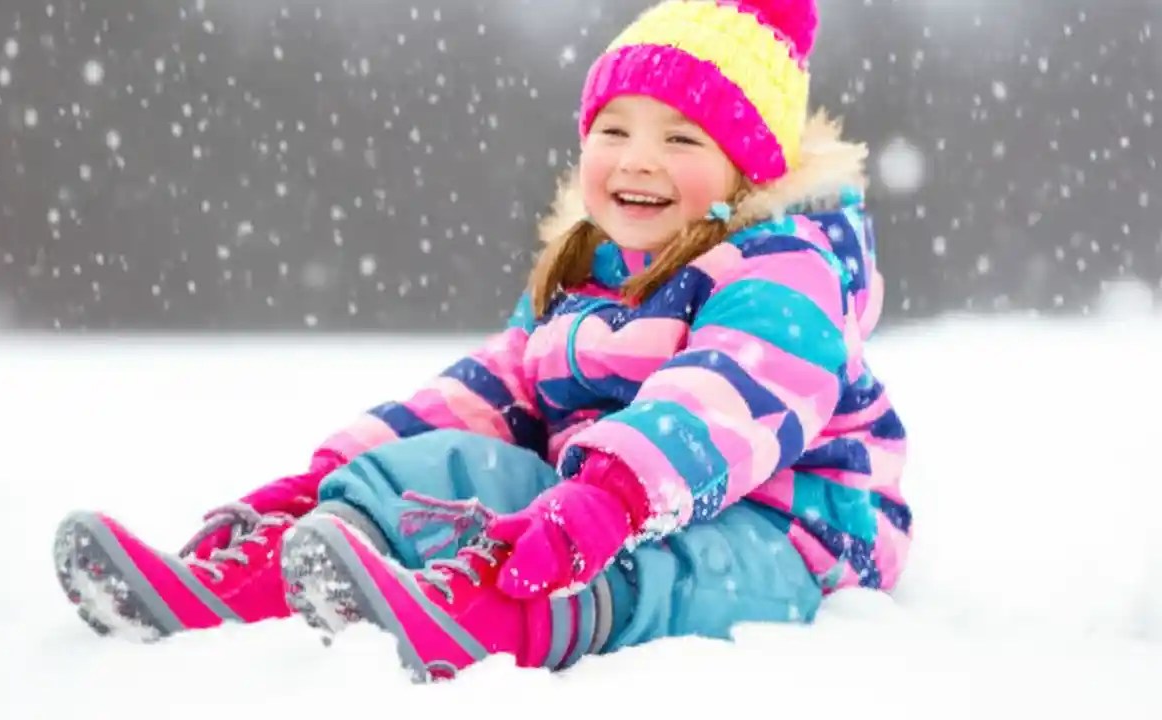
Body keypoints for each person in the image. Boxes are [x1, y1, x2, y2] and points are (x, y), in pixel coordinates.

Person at [53, 0, 911, 681]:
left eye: (681, 139)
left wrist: (610, 499)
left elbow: (723, 400)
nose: (637, 159)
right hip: (603, 502)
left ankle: (500, 615)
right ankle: (265, 577)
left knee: (678, 566)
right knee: (454, 460)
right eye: (614, 131)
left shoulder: (786, 270)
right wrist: (328, 482)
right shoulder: (589, 276)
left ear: (748, 170)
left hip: (788, 534)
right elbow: (487, 393)